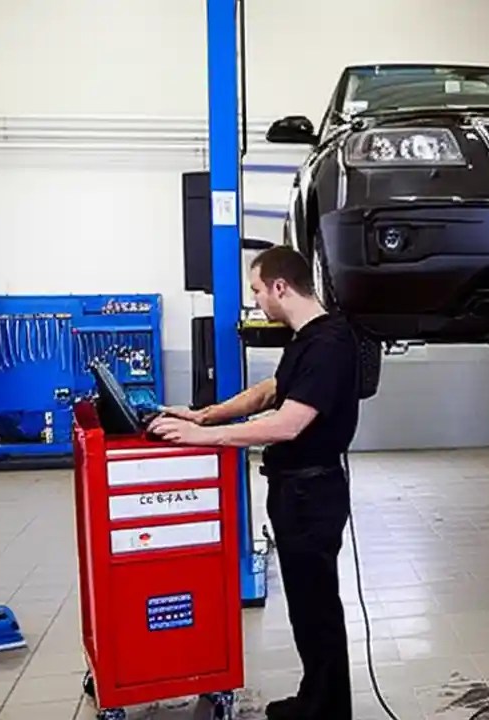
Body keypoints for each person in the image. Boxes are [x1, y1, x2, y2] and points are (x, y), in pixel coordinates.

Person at [149, 245, 359, 720]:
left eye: (258, 290)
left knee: (318, 609)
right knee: (307, 609)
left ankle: (327, 711)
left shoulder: (330, 344)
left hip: (312, 495)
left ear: (281, 287)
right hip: (295, 491)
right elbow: (270, 390)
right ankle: (316, 699)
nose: (257, 300)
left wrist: (205, 437)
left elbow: (286, 423)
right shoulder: (305, 338)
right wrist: (205, 412)